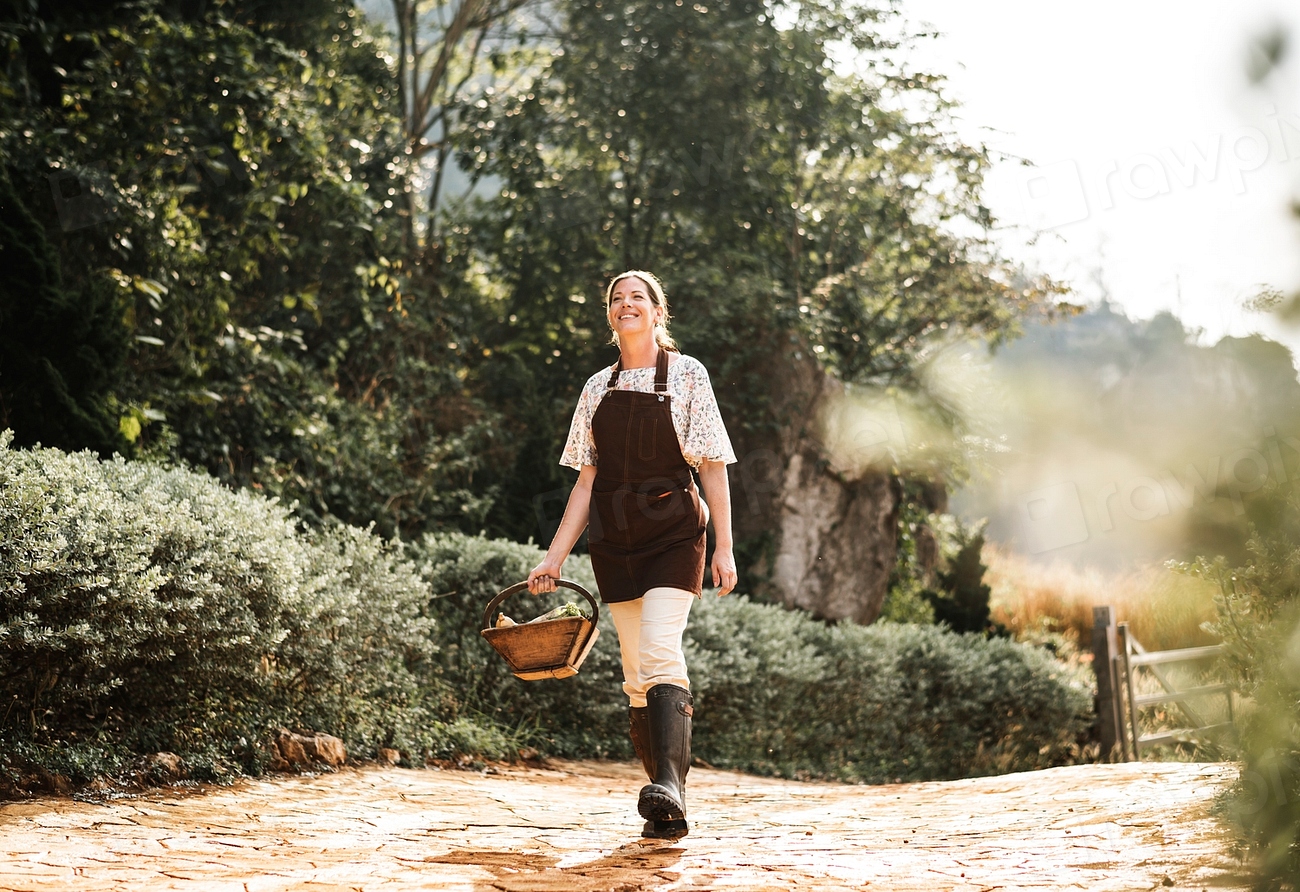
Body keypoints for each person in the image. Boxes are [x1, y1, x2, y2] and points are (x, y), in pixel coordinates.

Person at [527, 269, 738, 841]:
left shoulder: (689, 375)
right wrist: (554, 558)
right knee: (634, 675)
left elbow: (713, 464)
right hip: (615, 545)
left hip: (675, 536)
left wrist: (725, 545)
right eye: (617, 299)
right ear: (609, 314)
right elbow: (586, 483)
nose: (627, 306)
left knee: (660, 648)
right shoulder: (596, 388)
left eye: (637, 298)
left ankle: (670, 783)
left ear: (657, 312)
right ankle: (665, 807)